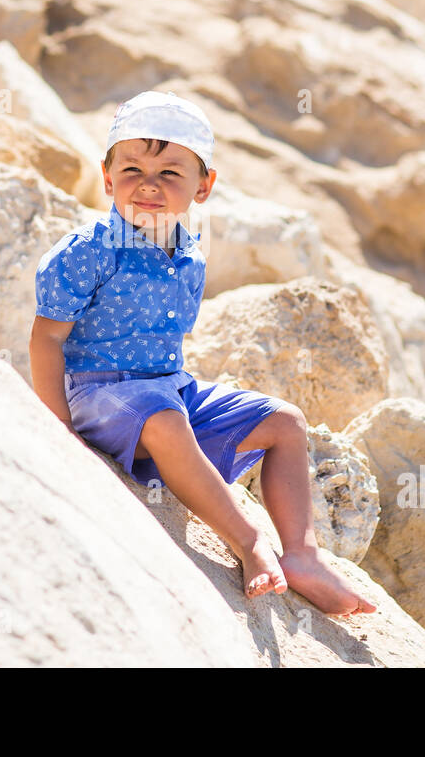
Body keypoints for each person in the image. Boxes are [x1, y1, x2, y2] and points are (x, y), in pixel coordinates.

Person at [28, 90, 377, 616]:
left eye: (171, 173)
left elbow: (165, 356)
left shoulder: (189, 257)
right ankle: (248, 542)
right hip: (98, 393)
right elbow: (47, 338)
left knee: (285, 422)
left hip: (168, 390)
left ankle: (303, 554)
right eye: (131, 169)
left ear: (204, 186)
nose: (148, 185)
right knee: (167, 422)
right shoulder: (89, 251)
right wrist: (59, 426)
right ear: (106, 176)